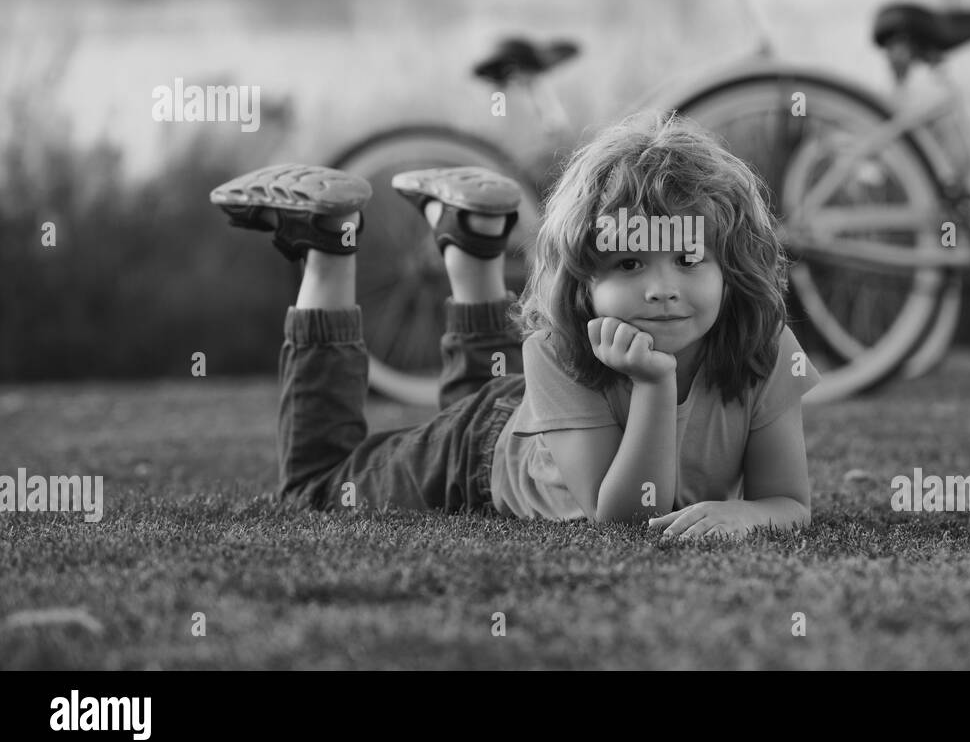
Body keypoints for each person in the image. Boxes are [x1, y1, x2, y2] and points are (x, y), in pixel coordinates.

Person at [209, 112, 820, 540]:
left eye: (688, 258)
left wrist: (751, 515)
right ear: (583, 283)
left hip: (535, 417)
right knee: (317, 489)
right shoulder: (560, 349)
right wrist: (654, 386)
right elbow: (627, 520)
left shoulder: (763, 347)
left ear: (729, 266)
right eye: (629, 263)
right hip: (477, 457)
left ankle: (472, 235)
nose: (662, 288)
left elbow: (789, 501)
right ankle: (327, 245)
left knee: (492, 389)